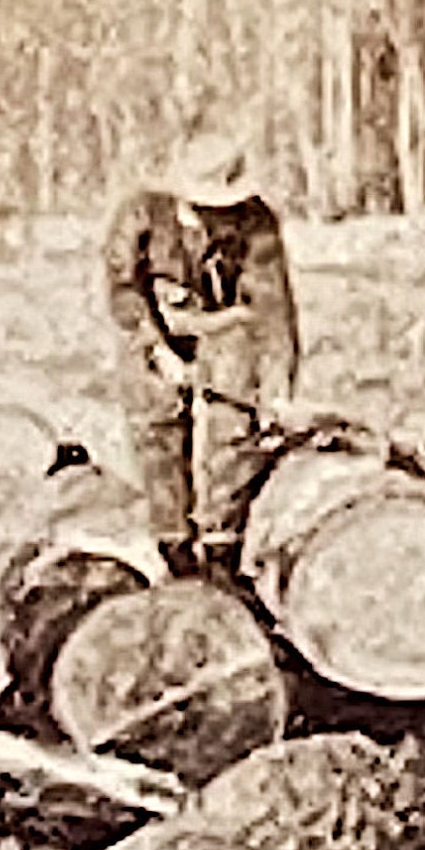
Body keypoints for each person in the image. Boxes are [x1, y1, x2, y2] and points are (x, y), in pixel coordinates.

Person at [102, 118, 299, 578]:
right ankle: (176, 554)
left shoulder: (256, 223)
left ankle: (223, 552)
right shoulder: (138, 216)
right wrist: (158, 350)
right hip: (154, 327)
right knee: (157, 433)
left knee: (235, 437)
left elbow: (272, 309)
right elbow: (123, 290)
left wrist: (276, 385)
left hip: (225, 330)